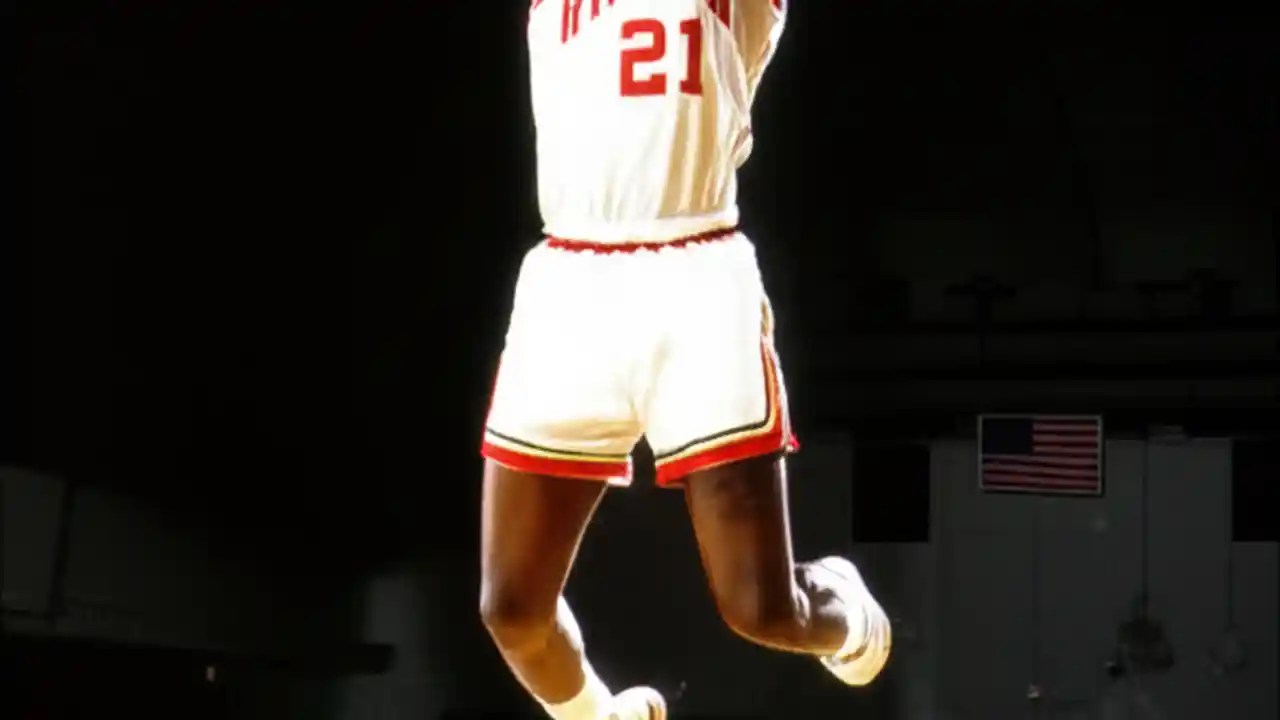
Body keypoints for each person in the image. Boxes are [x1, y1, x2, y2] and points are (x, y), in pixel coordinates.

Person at [479, 2, 891, 718]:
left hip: (695, 273)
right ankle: (594, 716)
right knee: (513, 611)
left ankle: (850, 616)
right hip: (570, 279)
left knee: (762, 610)